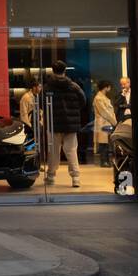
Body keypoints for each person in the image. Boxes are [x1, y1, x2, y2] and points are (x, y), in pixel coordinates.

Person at [45, 59, 86, 187]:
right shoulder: (74, 86)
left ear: (53, 71)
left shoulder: (48, 86)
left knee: (53, 150)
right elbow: (83, 101)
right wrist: (73, 111)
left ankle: (51, 176)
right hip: (70, 124)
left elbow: (42, 104)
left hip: (54, 123)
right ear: (64, 70)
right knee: (71, 150)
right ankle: (76, 178)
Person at [93, 80, 115, 167]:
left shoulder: (104, 97)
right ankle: (104, 161)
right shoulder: (98, 98)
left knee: (106, 143)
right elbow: (104, 112)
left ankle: (106, 161)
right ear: (106, 87)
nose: (110, 88)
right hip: (102, 122)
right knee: (103, 143)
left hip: (106, 122)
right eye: (109, 87)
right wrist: (114, 121)